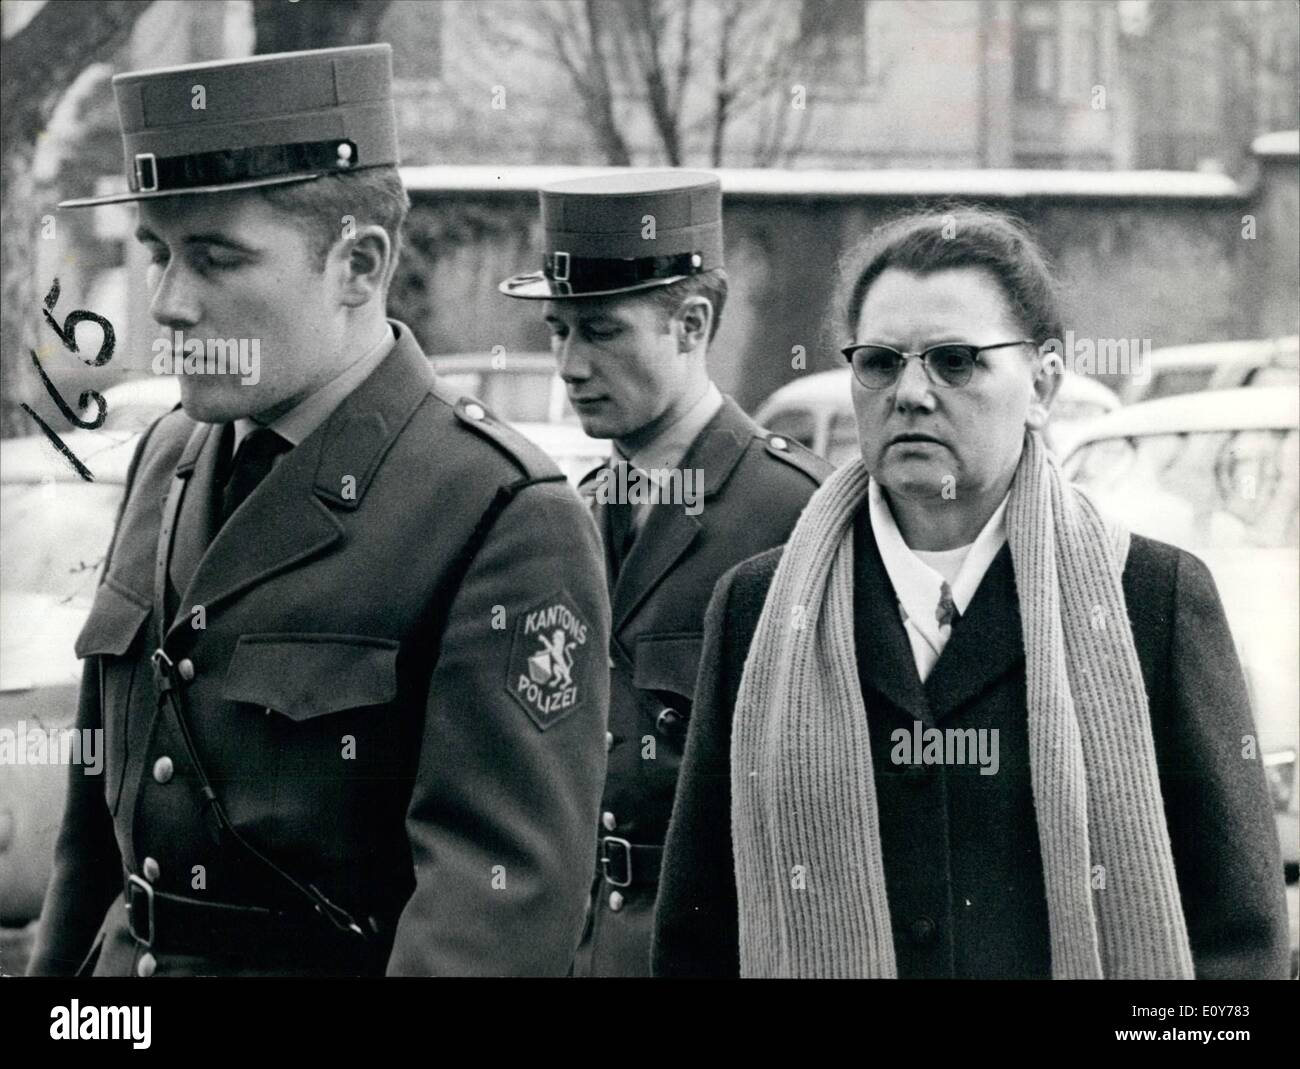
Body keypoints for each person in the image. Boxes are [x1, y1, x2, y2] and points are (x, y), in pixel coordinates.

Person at [29, 44, 610, 978]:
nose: (170, 303)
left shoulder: (497, 514)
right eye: (157, 254)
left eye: (217, 259)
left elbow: (489, 925)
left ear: (358, 263)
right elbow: (92, 845)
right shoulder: (167, 457)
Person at [652, 207, 1290, 979]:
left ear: (1044, 383)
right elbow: (699, 933)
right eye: (880, 362)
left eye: (955, 360)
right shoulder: (759, 609)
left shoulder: (1151, 600)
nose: (911, 393)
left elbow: (1239, 941)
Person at [499, 171, 831, 976]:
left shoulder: (794, 518)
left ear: (692, 324)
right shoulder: (564, 515)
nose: (570, 364)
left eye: (602, 331)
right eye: (557, 331)